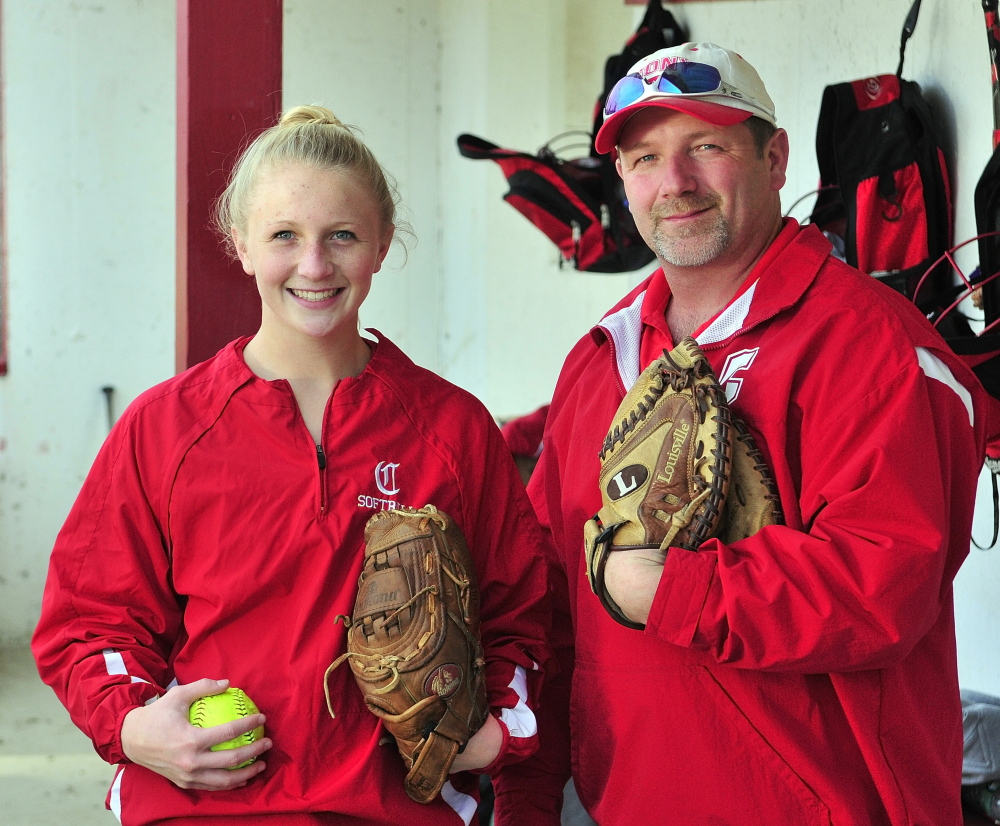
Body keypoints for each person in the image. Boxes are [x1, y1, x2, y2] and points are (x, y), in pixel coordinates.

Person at [492, 42, 989, 825]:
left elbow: (884, 586)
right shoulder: (599, 362)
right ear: (622, 180)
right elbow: (553, 614)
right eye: (646, 157)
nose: (675, 182)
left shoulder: (870, 345)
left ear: (776, 156)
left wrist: (677, 591)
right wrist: (525, 796)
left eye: (707, 146)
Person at [32, 105, 550, 825]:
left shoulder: (451, 428)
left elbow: (522, 612)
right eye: (284, 236)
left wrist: (495, 733)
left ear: (381, 246)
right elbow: (89, 624)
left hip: (392, 808)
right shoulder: (165, 427)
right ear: (240, 244)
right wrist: (132, 726)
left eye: (342, 236)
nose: (313, 265)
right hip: (197, 809)